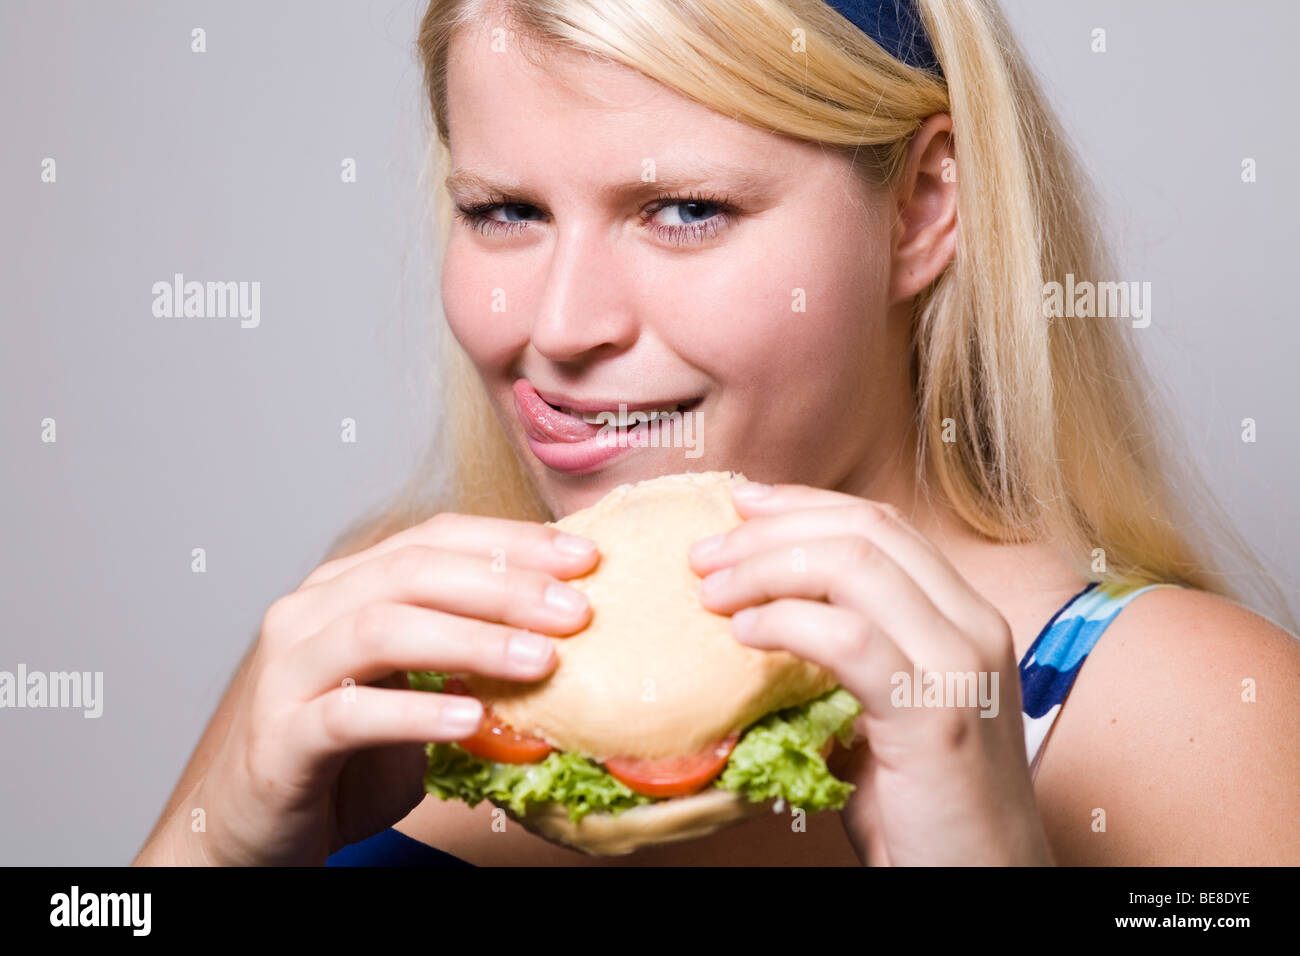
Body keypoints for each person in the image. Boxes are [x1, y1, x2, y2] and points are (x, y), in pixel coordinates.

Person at [133, 0, 1300, 867]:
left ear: (919, 207)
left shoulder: (1189, 712)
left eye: (685, 210)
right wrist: (204, 850)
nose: (560, 326)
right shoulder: (385, 631)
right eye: (504, 211)